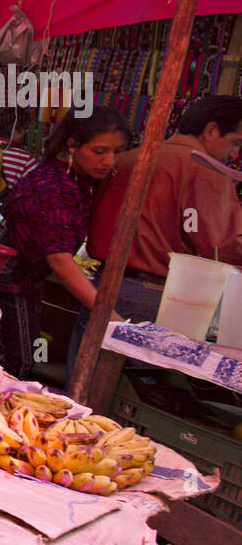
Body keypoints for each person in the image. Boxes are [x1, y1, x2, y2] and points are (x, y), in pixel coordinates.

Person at [70, 95, 242, 370]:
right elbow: (222, 244)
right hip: (153, 294)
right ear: (211, 130)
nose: (234, 154)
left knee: (82, 380)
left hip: (102, 283)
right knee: (128, 391)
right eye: (235, 142)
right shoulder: (207, 170)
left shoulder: (127, 160)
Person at [0, 107, 131, 380]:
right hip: (8, 271)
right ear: (72, 145)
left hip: (30, 272)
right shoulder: (54, 185)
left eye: (118, 151)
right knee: (18, 360)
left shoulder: (83, 177)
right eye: (99, 152)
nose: (110, 161)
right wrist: (109, 316)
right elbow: (59, 259)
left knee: (9, 351)